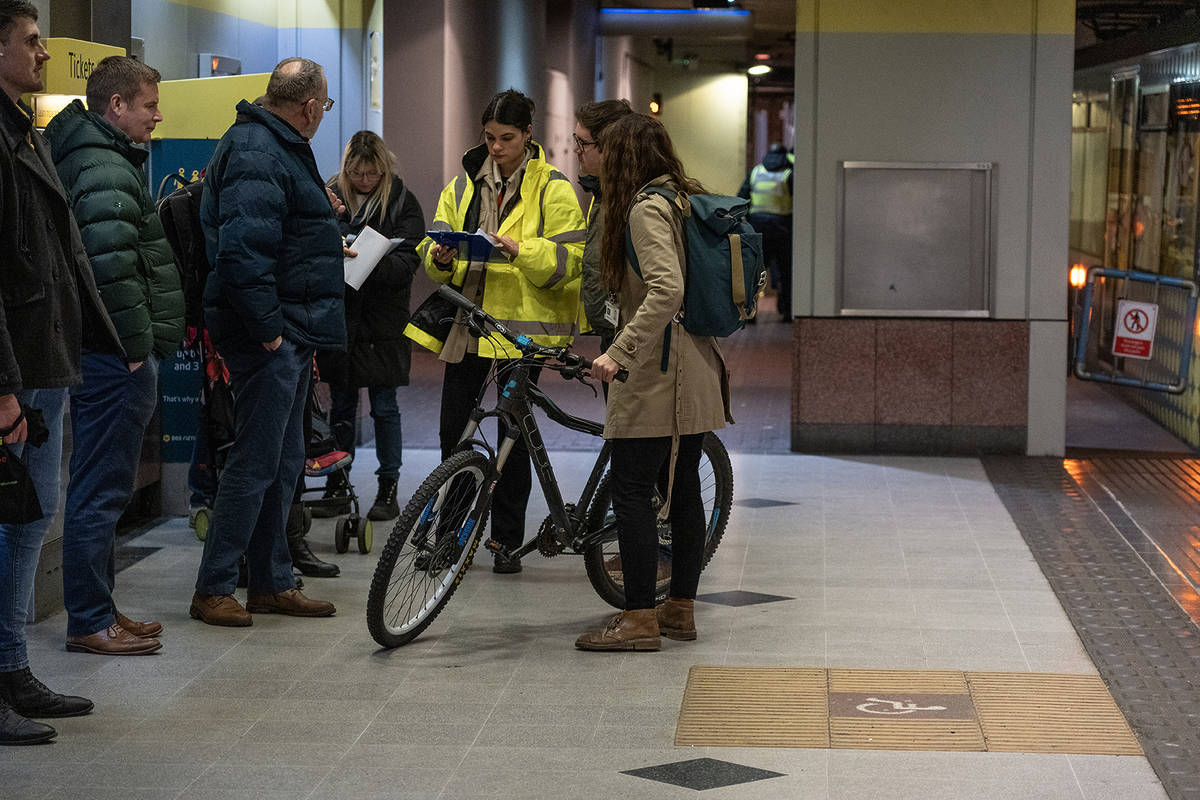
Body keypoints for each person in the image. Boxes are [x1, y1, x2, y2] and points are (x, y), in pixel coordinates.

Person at [0, 0, 122, 743]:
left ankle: (12, 668)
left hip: (44, 357)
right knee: (13, 521)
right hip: (16, 367)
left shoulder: (25, 131)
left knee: (28, 520)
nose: (43, 54)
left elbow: (62, 252)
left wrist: (105, 341)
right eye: (30, 41)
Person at [189, 57, 344, 627]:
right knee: (254, 464)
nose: (322, 116)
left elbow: (277, 234)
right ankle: (214, 587)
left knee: (282, 463)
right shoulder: (257, 149)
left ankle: (272, 581)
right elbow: (241, 255)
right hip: (269, 335)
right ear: (307, 106)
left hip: (290, 328)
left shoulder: (273, 144)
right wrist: (271, 332)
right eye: (324, 106)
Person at [576, 113, 732, 652]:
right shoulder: (680, 196)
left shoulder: (644, 209)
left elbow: (665, 290)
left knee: (633, 492)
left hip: (659, 375)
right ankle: (680, 608)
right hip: (694, 366)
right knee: (682, 490)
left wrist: (618, 351)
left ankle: (640, 616)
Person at [412, 88, 584, 574]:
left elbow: (572, 262)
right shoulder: (462, 184)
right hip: (469, 325)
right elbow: (434, 246)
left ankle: (504, 542)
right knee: (457, 436)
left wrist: (519, 250)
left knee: (512, 436)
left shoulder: (553, 189)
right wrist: (439, 257)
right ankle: (448, 539)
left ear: (528, 135)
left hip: (519, 334)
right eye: (488, 137)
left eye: (506, 138)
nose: (495, 147)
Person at [44, 55, 184, 656]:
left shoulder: (99, 156)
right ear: (117, 106)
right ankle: (89, 621)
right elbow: (109, 267)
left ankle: (99, 608)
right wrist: (133, 349)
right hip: (112, 355)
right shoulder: (102, 164)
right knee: (100, 491)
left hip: (107, 351)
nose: (158, 116)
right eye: (148, 105)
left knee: (103, 488)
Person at [315, 130, 425, 524]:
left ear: (384, 169)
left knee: (384, 407)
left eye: (372, 174)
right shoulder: (328, 194)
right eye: (357, 174)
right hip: (341, 319)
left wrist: (368, 259)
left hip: (383, 321)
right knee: (340, 407)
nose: (364, 181)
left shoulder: (401, 201)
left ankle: (388, 487)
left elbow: (409, 262)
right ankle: (337, 483)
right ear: (346, 170)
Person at [574, 99, 633, 363]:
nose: (576, 151)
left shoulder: (635, 202)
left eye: (582, 143)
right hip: (614, 333)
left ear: (609, 147)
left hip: (629, 340)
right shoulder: (603, 193)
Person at [738, 143, 793, 321]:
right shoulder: (789, 173)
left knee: (756, 272)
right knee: (786, 272)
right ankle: (786, 311)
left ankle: (751, 313)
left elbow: (742, 197)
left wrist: (748, 220)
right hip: (783, 227)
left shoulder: (756, 172)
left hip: (758, 228)